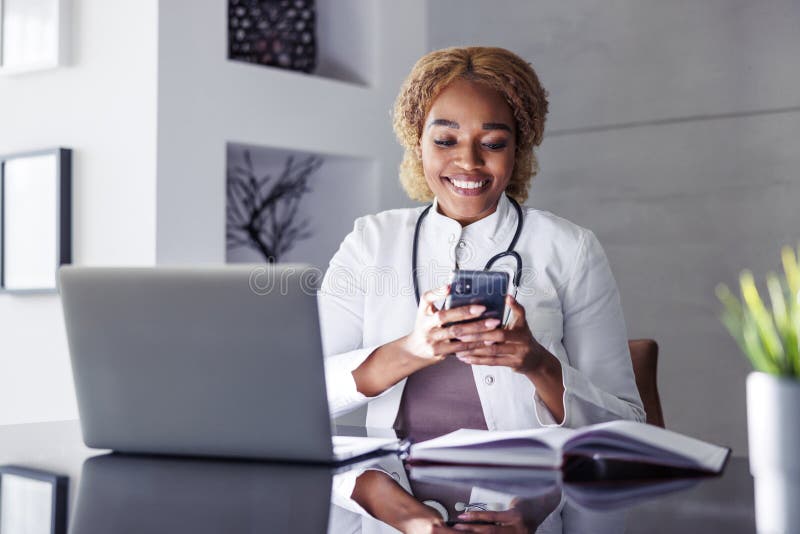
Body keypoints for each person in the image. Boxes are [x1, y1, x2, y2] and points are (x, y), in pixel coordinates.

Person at [319, 46, 644, 441]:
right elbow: (302, 391)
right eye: (445, 140)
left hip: (526, 492)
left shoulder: (570, 249)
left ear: (517, 150)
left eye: (491, 143)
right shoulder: (372, 242)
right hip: (392, 488)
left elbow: (627, 425)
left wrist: (537, 363)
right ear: (417, 142)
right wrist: (411, 350)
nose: (469, 161)